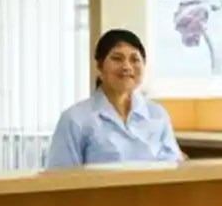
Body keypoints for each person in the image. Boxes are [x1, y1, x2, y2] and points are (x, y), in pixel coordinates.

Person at [45, 28, 183, 168]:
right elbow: (60, 177)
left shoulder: (157, 114)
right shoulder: (75, 119)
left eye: (135, 59)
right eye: (117, 59)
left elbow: (174, 167)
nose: (127, 67)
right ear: (99, 67)